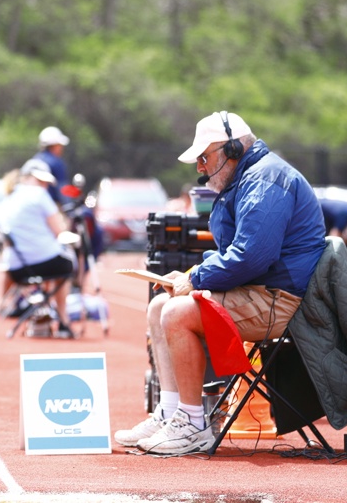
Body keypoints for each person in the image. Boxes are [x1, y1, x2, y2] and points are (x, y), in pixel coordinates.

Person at [115, 111, 326, 456]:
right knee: (159, 306)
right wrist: (189, 275)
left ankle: (194, 426)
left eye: (204, 156)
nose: (199, 166)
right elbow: (237, 254)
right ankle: (171, 413)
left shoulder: (265, 179)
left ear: (231, 148)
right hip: (261, 291)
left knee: (177, 313)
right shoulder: (248, 178)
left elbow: (251, 257)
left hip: (278, 300)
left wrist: (195, 278)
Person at [0, 158, 76, 337]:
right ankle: (63, 320)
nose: (44, 186)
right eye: (41, 181)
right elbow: (60, 232)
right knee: (66, 264)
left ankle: (42, 313)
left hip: (15, 269)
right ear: (29, 177)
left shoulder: (8, 197)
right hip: (40, 264)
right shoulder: (39, 195)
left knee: (53, 258)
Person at [33, 126, 70, 205]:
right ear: (54, 146)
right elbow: (63, 189)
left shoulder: (34, 160)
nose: (61, 148)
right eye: (59, 145)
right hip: (51, 206)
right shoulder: (56, 163)